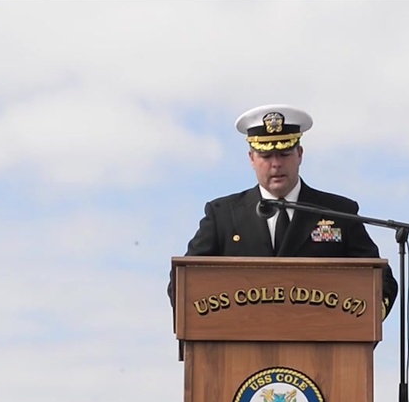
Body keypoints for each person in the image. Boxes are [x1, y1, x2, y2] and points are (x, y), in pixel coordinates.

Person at [168, 104, 397, 316]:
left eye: (285, 154)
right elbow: (183, 281)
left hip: (324, 346)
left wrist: (364, 320)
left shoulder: (338, 213)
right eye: (266, 155)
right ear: (251, 158)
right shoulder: (223, 216)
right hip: (238, 349)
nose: (276, 163)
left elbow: (380, 280)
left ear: (300, 154)